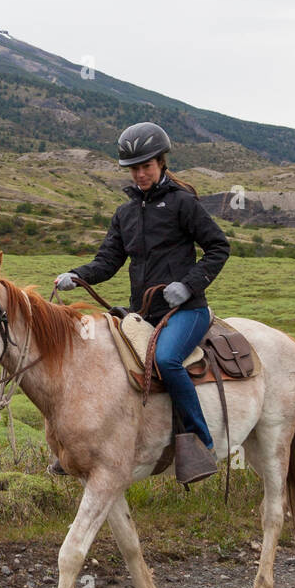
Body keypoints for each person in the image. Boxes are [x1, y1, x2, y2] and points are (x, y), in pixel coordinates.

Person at [55, 122, 231, 485]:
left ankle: (200, 442)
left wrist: (188, 284)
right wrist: (77, 275)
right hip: (143, 313)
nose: (140, 174)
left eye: (146, 166)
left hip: (187, 310)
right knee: (105, 361)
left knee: (166, 360)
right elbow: (108, 261)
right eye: (134, 168)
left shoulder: (183, 203)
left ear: (162, 163)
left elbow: (218, 247)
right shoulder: (125, 214)